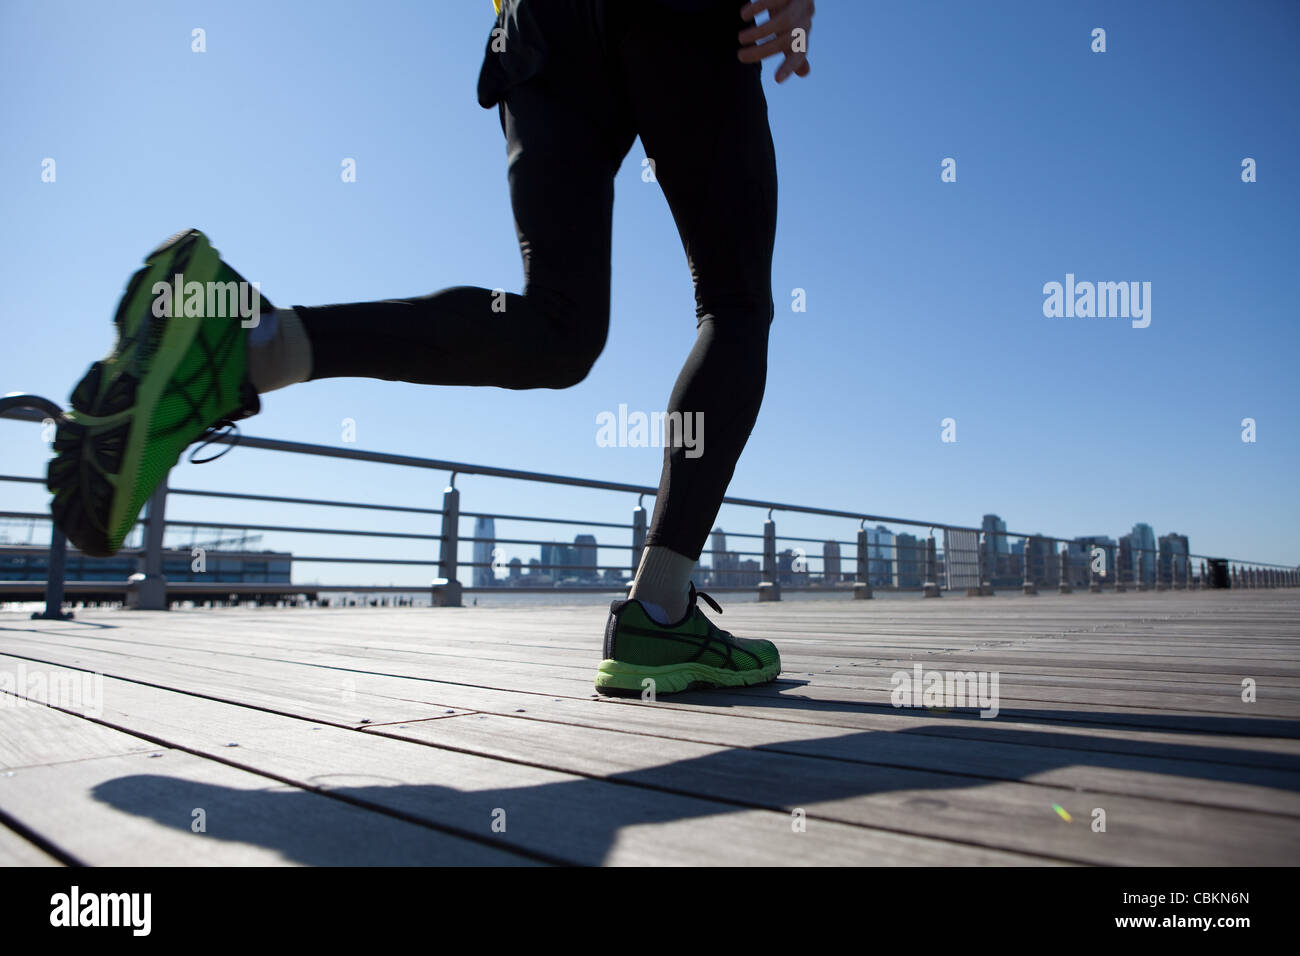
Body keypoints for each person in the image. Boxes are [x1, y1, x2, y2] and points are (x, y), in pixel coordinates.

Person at [46, 0, 815, 695]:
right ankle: (660, 610)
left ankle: (253, 348)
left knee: (559, 329)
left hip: (536, 29)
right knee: (733, 304)